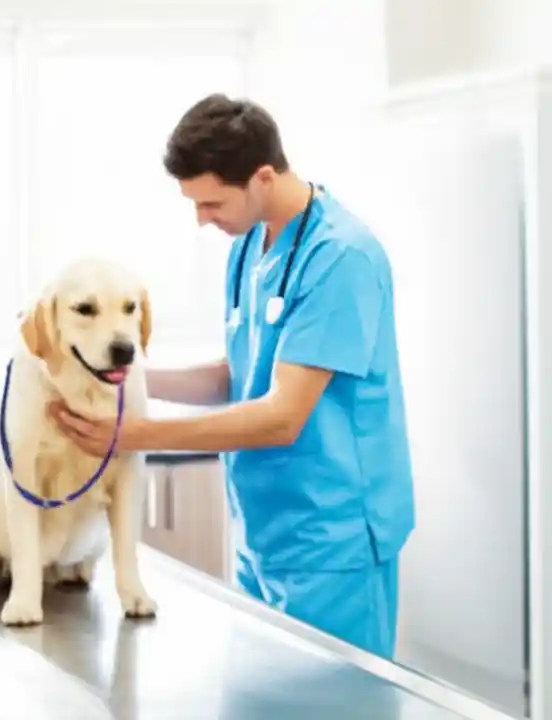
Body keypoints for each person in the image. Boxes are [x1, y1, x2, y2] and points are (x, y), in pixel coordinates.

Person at [50, 93, 414, 659]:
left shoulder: (342, 258)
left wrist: (135, 435)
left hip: (332, 542)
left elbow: (281, 416)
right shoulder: (248, 244)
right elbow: (238, 373)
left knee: (337, 707)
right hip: (263, 532)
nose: (202, 218)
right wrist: (125, 376)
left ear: (263, 177)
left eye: (212, 203)